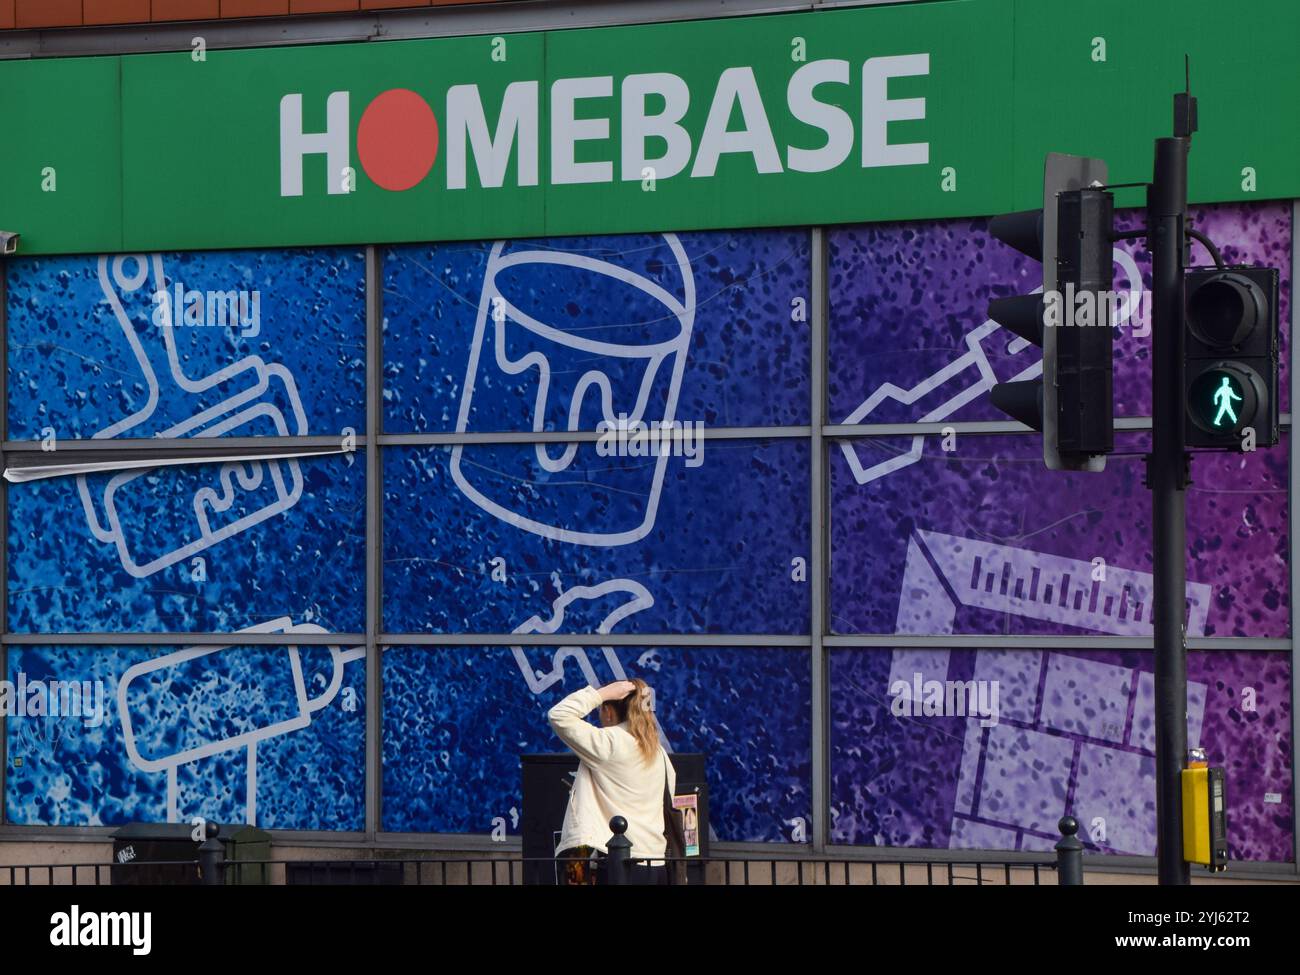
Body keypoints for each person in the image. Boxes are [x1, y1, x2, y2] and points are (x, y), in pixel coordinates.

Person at [548, 678, 675, 885]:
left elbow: (559, 715)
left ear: (608, 711)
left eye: (601, 710)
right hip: (656, 863)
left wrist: (602, 694)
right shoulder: (658, 751)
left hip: (620, 865)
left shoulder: (611, 742)